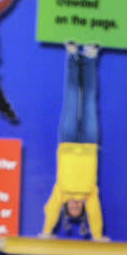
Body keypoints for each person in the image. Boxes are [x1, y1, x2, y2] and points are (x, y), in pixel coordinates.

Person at [43, 42, 103, 240]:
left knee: (71, 99)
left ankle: (72, 55)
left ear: (66, 207)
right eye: (79, 208)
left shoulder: (61, 192)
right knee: (89, 99)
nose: (76, 205)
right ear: (83, 208)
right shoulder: (90, 195)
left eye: (72, 208)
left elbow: (50, 208)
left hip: (67, 143)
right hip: (89, 143)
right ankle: (91, 57)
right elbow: (95, 214)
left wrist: (46, 232)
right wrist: (97, 235)